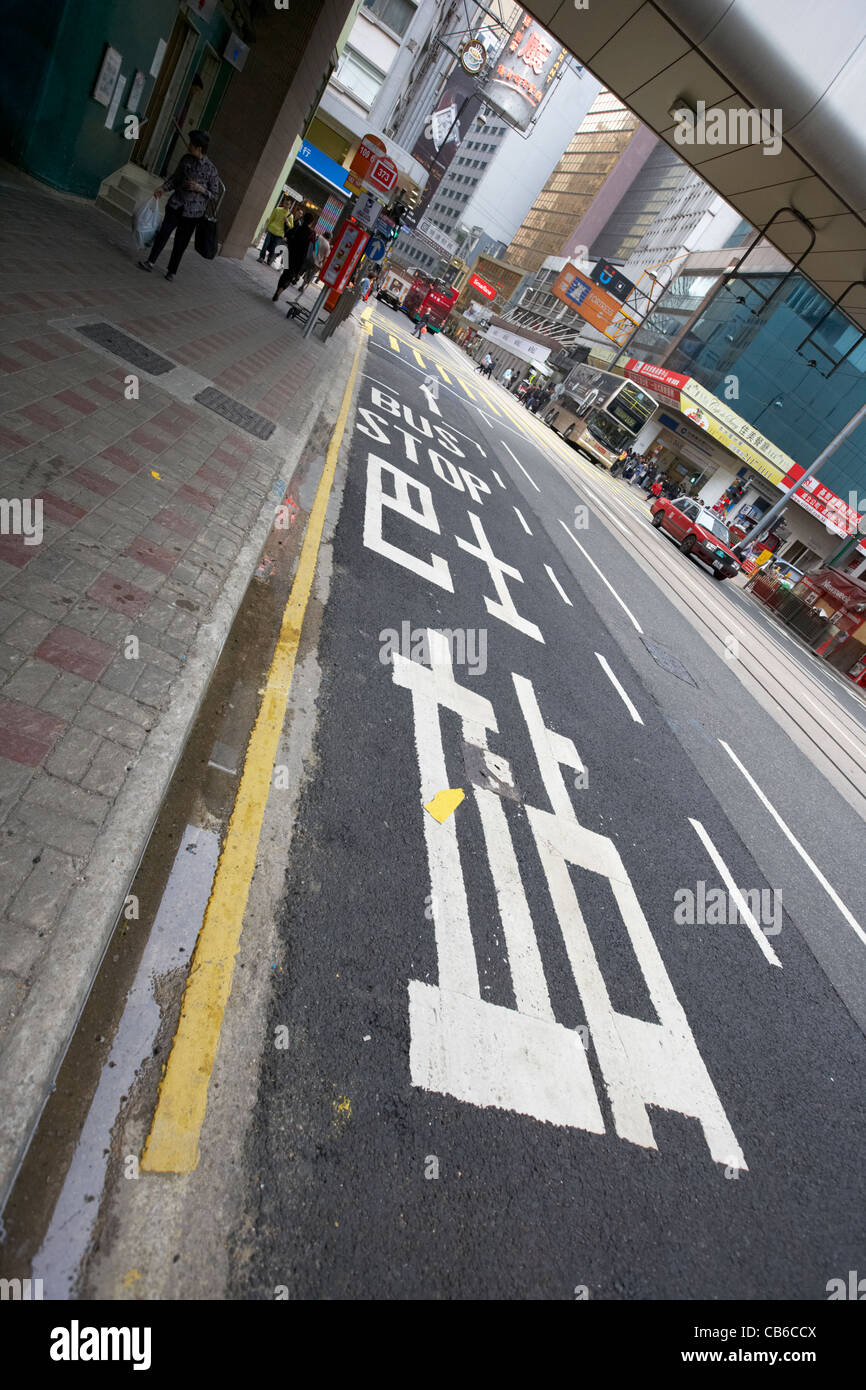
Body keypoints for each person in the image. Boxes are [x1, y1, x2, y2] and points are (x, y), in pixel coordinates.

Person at [138, 130, 221, 282]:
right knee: (163, 234)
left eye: (192, 144)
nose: (189, 146)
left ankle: (171, 271)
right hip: (176, 205)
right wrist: (163, 188)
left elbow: (215, 194)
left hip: (193, 214)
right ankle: (150, 262)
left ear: (199, 148)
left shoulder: (211, 169)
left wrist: (200, 188)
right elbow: (175, 178)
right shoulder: (186, 159)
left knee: (180, 243)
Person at [272, 211, 315, 301]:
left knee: (285, 273)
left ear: (303, 219)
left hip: (290, 253)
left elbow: (287, 235)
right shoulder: (311, 233)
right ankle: (279, 292)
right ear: (311, 222)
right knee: (290, 275)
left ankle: (277, 290)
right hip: (300, 258)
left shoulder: (297, 228)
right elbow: (311, 248)